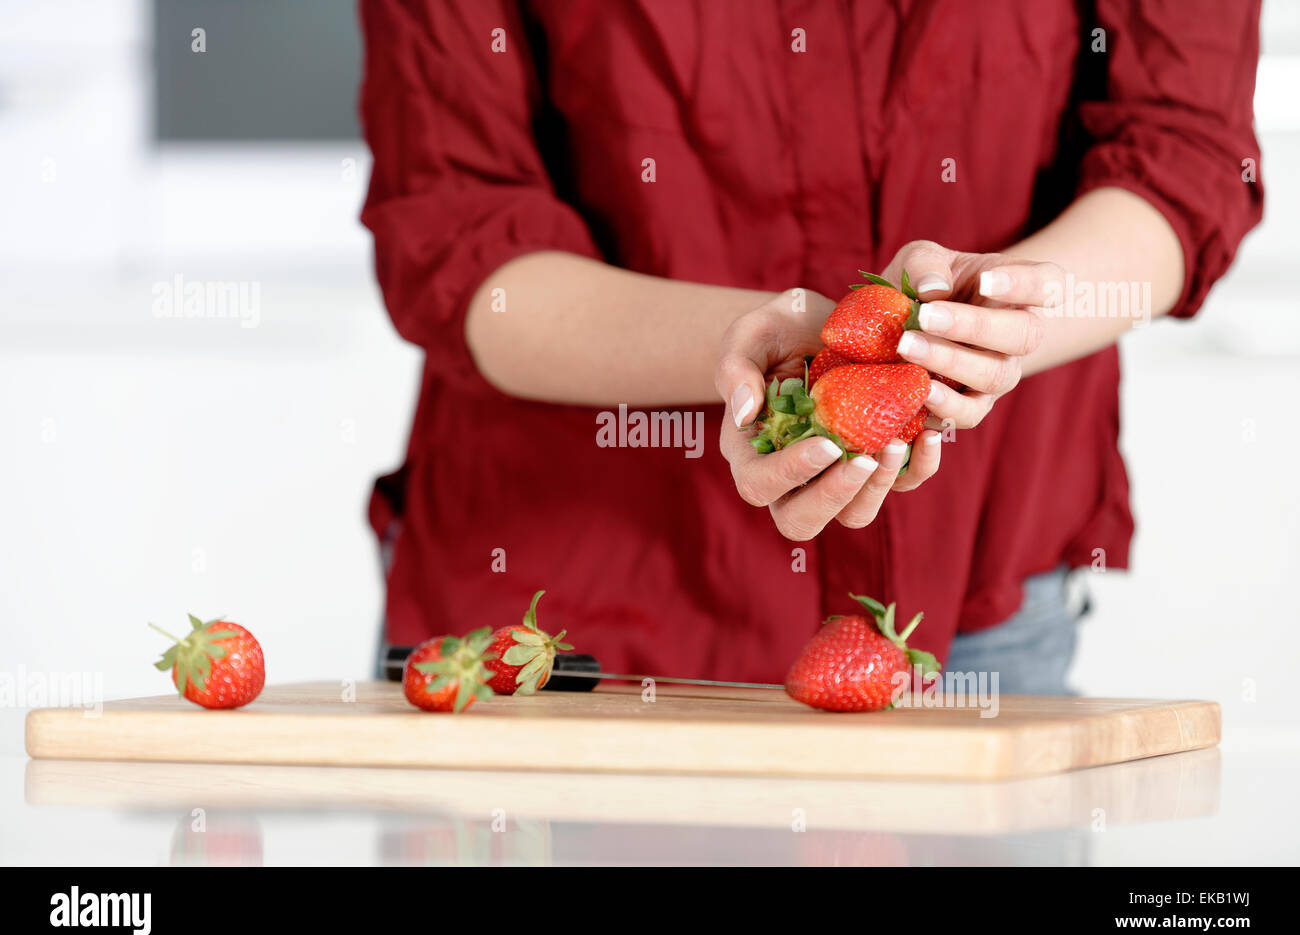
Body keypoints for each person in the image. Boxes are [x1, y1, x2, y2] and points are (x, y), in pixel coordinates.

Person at [359, 0, 1262, 692]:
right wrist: (751, 353)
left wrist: (990, 326)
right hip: (565, 614)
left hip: (973, 607)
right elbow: (457, 233)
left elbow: (1181, 151)